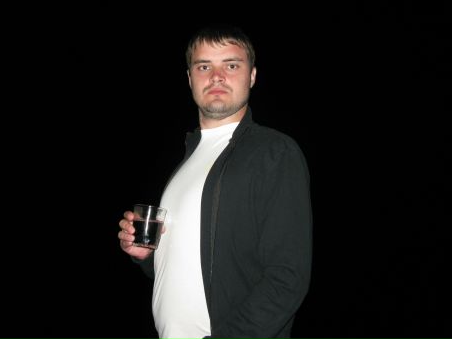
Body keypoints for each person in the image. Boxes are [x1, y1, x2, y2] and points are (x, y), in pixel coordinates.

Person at [118, 24, 313, 339]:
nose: (217, 76)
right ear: (190, 78)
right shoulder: (186, 162)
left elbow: (287, 277)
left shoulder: (273, 152)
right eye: (204, 66)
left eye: (231, 65)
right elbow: (188, 267)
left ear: (252, 76)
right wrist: (146, 255)